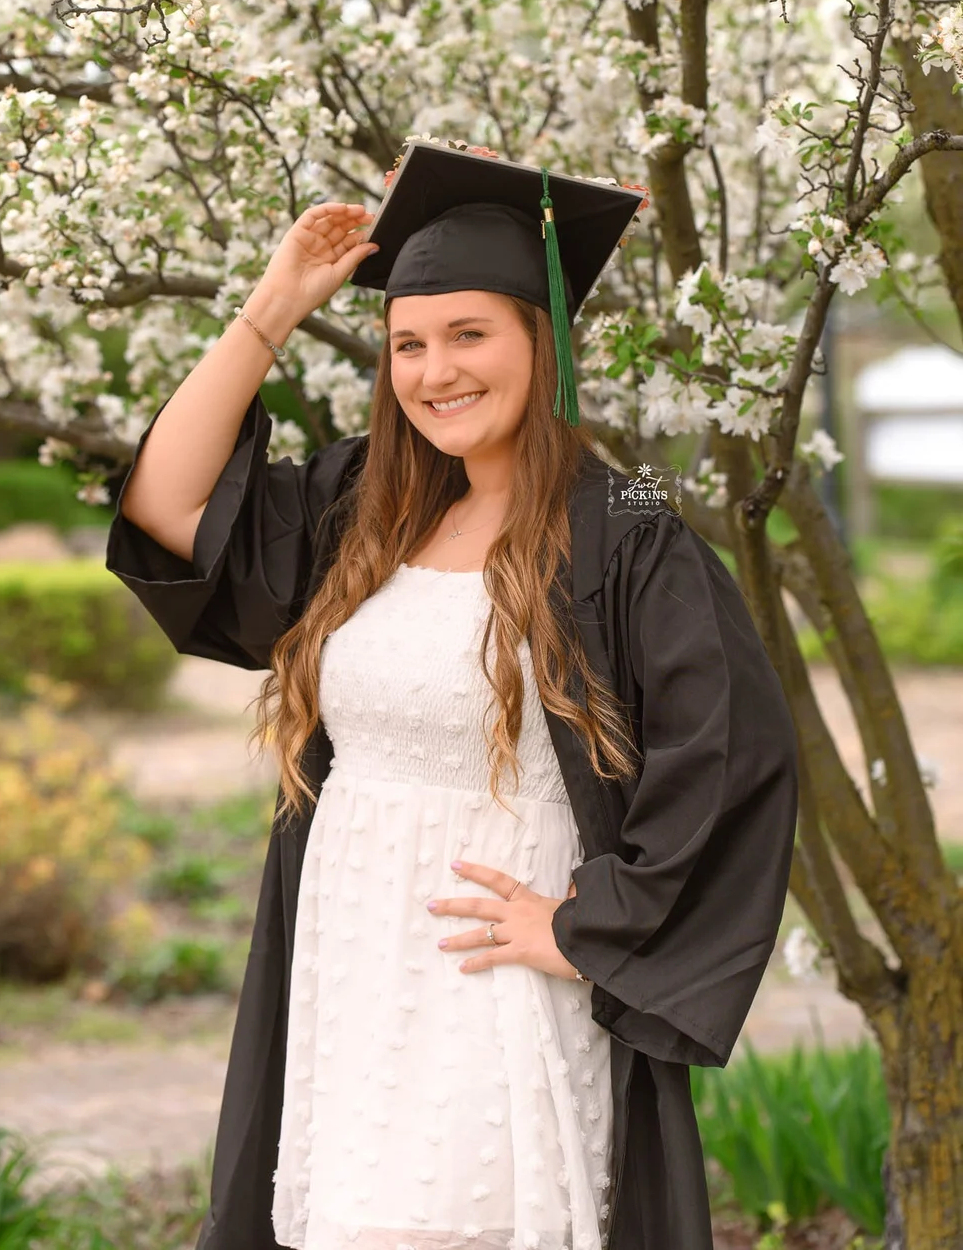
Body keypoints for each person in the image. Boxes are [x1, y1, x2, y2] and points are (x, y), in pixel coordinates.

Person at [106, 140, 799, 1250]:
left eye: (470, 334)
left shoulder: (623, 520)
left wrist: (590, 927)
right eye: (409, 344)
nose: (436, 372)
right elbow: (166, 506)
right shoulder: (366, 503)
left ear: (542, 337)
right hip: (351, 955)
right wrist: (273, 308)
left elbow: (730, 749)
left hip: (493, 972)